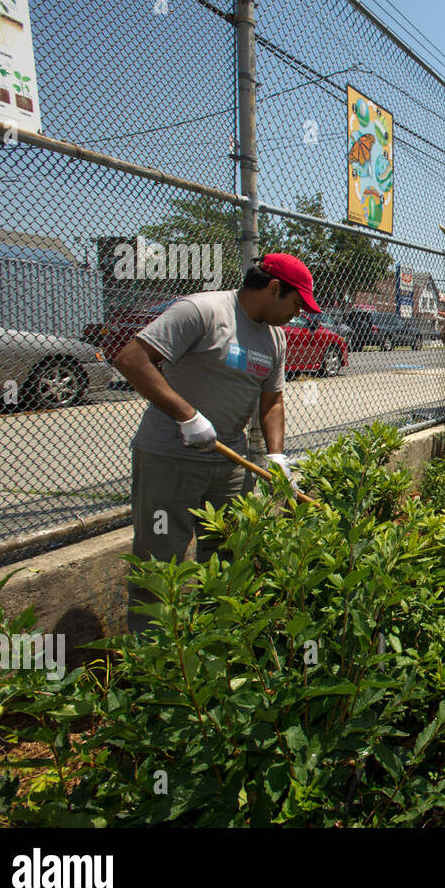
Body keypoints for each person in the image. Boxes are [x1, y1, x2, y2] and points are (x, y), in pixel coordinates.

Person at [113, 253, 315, 632]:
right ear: (274, 289)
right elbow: (132, 359)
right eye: (296, 304)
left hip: (229, 463)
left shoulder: (275, 338)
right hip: (170, 458)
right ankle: (153, 665)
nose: (298, 314)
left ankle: (215, 649)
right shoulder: (202, 311)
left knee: (228, 559)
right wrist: (186, 415)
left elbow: (272, 400)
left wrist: (276, 455)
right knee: (159, 561)